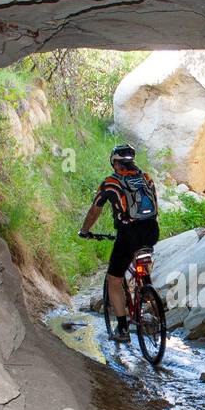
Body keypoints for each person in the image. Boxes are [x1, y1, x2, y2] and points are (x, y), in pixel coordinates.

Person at [78, 144, 160, 342]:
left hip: (128, 234)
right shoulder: (146, 178)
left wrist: (85, 230)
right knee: (141, 259)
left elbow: (94, 211)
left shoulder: (111, 183)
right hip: (151, 231)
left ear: (115, 163)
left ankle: (122, 329)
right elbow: (155, 204)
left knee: (114, 280)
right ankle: (147, 290)